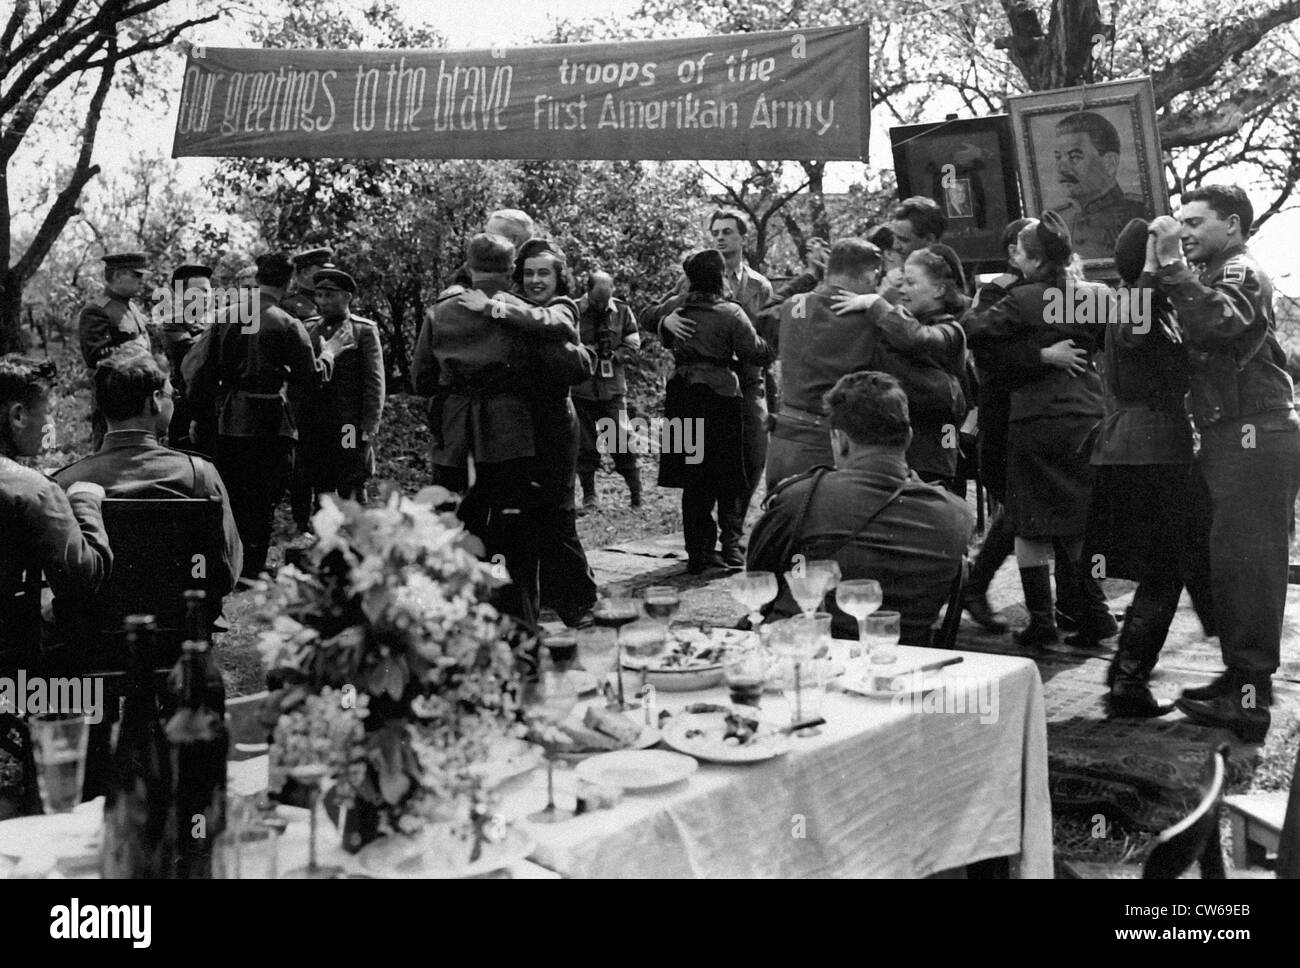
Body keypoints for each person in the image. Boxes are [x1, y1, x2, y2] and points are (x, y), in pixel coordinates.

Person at [1150, 186, 1300, 742]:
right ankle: (1239, 676)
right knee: (1222, 559)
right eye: (1180, 223)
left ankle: (1250, 701)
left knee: (1250, 565)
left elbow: (1218, 325)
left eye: (1195, 222)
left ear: (1232, 226)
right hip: (1233, 433)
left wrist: (1171, 264)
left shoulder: (1240, 272)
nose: (1183, 232)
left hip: (1254, 433)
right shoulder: (1212, 274)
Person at [966, 212, 1111, 648]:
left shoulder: (1024, 297)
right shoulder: (1097, 295)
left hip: (1036, 422)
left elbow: (975, 330)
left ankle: (1042, 621)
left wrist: (1036, 352)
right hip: (1088, 416)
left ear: (1033, 260)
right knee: (1081, 523)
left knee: (1030, 525)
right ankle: (1095, 612)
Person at [1087, 219, 1214, 717]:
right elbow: (1140, 337)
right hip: (1151, 447)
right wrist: (1150, 269)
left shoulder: (1136, 302)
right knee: (1169, 567)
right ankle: (1130, 679)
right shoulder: (1136, 304)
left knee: (1166, 567)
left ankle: (1127, 673)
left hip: (1135, 446)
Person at [748, 370, 973, 643]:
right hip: (901, 666)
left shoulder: (801, 499)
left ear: (840, 440)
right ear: (909, 437)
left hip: (804, 662)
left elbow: (759, 583)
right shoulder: (956, 514)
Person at [186, 252, 351, 580]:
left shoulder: (226, 315)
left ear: (259, 278)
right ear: (289, 281)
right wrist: (330, 354)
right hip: (270, 420)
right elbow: (311, 377)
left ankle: (228, 564)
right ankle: (251, 570)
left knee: (232, 493)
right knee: (264, 498)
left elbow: (199, 369)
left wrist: (199, 415)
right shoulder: (286, 322)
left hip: (230, 417)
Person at [1, 356, 112, 819]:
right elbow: (85, 575)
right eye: (45, 416)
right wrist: (85, 501)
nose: (48, 428)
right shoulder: (31, 489)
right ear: (18, 415)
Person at [53, 347, 242, 611]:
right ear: (154, 401)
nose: (174, 400)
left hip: (94, 638)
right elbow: (226, 573)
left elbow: (59, 580)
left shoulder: (63, 483)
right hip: (181, 633)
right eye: (170, 394)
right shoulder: (199, 475)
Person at [656, 209, 774, 566]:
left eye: (727, 232)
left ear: (742, 238)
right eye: (716, 232)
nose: (721, 238)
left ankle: (721, 541)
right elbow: (651, 313)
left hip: (743, 385)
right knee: (719, 466)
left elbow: (759, 343)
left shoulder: (760, 286)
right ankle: (716, 545)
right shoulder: (693, 289)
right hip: (719, 390)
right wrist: (666, 319)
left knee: (745, 461)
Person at [835, 244, 969, 490]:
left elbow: (915, 337)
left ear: (939, 290)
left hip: (935, 456)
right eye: (902, 283)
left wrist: (876, 303)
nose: (903, 290)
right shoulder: (903, 321)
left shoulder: (951, 331)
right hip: (910, 452)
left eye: (911, 283)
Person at [763, 239, 887, 490]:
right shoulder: (869, 317)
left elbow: (764, 316)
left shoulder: (796, 307)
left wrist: (809, 276)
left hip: (784, 442)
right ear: (872, 274)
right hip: (828, 448)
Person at [293, 268, 386, 513]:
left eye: (329, 296)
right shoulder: (309, 328)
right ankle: (323, 540)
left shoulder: (362, 330)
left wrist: (369, 426)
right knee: (321, 482)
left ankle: (356, 540)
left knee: (351, 479)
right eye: (320, 296)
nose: (322, 302)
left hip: (348, 424)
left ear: (347, 297)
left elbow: (374, 382)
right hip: (315, 424)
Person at [573, 271, 642, 511]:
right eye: (597, 301)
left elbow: (633, 341)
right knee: (585, 445)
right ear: (587, 290)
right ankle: (589, 495)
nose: (602, 305)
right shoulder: (572, 310)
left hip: (611, 388)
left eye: (606, 300)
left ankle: (636, 494)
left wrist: (617, 354)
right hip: (581, 389)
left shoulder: (622, 311)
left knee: (621, 440)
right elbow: (563, 345)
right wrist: (586, 352)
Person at [1049, 111, 1149, 261]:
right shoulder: (1057, 220)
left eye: (1075, 157)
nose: (1062, 168)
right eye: (1058, 157)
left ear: (1110, 163)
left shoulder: (1140, 214)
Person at [77, 251, 152, 450]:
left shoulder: (132, 308)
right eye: (137, 275)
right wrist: (136, 350)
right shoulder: (97, 310)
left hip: (139, 395)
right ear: (118, 275)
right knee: (108, 452)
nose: (142, 280)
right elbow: (96, 355)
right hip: (114, 397)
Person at [159, 263, 214, 452]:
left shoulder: (214, 322)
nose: (205, 297)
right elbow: (194, 352)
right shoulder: (173, 324)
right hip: (186, 405)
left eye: (207, 291)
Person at [282, 247, 333, 321]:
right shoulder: (290, 305)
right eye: (322, 270)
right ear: (305, 272)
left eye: (330, 270)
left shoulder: (334, 301)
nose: (328, 275)